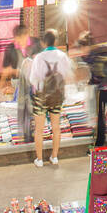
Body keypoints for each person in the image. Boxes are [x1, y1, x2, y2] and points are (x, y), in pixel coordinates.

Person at [30, 30, 75, 167]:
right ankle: (54, 157)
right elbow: (68, 74)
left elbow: (33, 79)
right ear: (56, 41)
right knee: (56, 127)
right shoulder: (63, 56)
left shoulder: (38, 57)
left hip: (41, 96)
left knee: (39, 129)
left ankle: (39, 159)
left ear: (43, 42)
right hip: (57, 95)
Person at [75, 32, 107, 147]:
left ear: (86, 46)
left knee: (101, 118)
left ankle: (99, 144)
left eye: (82, 48)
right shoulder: (103, 49)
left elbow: (98, 76)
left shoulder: (93, 55)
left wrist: (91, 83)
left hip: (104, 89)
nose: (81, 52)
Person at [0, 24, 36, 97]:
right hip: (18, 80)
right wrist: (0, 87)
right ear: (15, 38)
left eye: (24, 38)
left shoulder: (35, 44)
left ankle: (17, 91)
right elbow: (5, 70)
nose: (22, 42)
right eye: (19, 39)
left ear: (27, 35)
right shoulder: (10, 48)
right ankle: (19, 90)